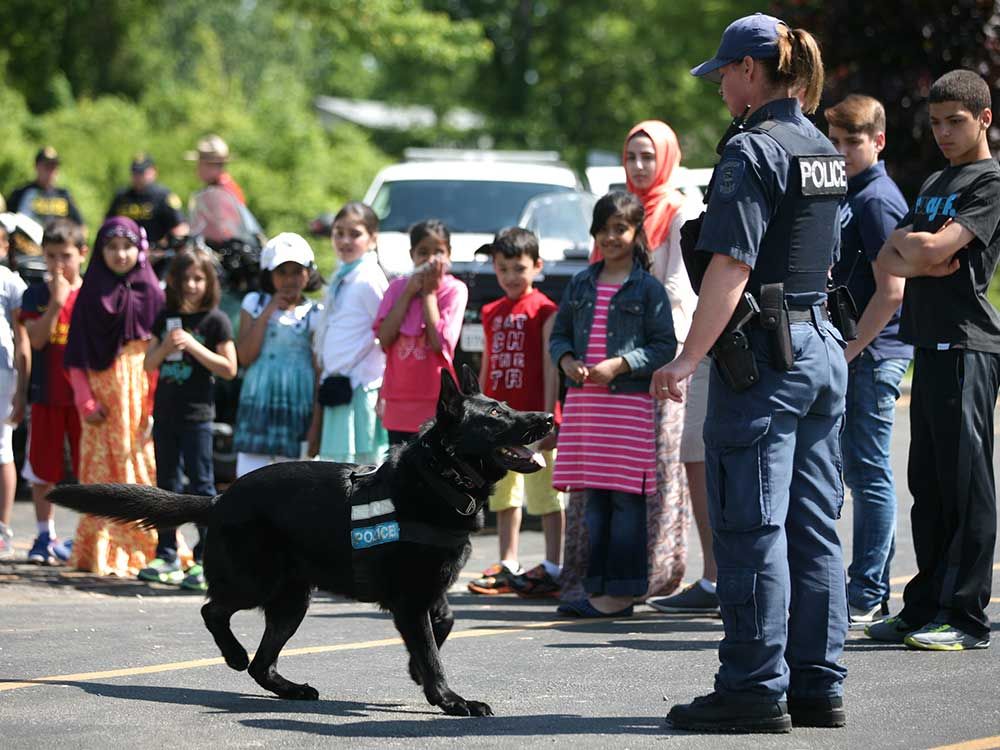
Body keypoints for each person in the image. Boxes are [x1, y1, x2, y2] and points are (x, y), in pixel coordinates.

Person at [651, 14, 849, 732]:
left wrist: (686, 358)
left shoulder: (753, 151)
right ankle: (817, 687)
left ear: (750, 72)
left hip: (763, 359)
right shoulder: (822, 146)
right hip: (819, 346)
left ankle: (753, 687)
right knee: (814, 529)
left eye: (724, 74)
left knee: (751, 527)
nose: (719, 88)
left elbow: (731, 267)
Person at [867, 70, 1000, 652]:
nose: (944, 132)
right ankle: (922, 607)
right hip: (928, 345)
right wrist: (920, 252)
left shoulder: (990, 181)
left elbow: (932, 248)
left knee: (968, 483)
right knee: (929, 484)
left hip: (970, 345)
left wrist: (921, 250)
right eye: (937, 121)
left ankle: (966, 618)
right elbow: (887, 256)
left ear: (984, 119)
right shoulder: (934, 181)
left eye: (956, 122)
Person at [551, 191, 676, 618]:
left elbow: (664, 346)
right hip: (588, 411)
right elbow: (560, 335)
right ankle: (597, 589)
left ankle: (621, 593)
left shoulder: (649, 288)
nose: (611, 236)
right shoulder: (581, 282)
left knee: (626, 503)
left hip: (628, 410)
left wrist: (620, 365)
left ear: (636, 231)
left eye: (619, 228)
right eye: (604, 229)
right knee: (597, 504)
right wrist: (566, 360)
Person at [823, 95, 911, 628]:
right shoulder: (849, 191)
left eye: (852, 141)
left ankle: (871, 591)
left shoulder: (877, 198)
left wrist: (848, 349)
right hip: (859, 351)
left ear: (878, 141)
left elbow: (893, 290)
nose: (842, 151)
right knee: (858, 470)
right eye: (834, 141)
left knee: (869, 473)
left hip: (875, 353)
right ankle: (865, 587)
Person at [620, 120, 715, 613]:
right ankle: (631, 570)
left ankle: (669, 573)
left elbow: (681, 290)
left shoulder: (679, 211)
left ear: (667, 157)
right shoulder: (625, 211)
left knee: (671, 469)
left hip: (667, 356)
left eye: (647, 156)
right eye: (631, 155)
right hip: (620, 364)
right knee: (627, 473)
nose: (638, 166)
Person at [63, 217, 179, 576]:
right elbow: (75, 355)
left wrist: (155, 403)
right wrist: (85, 401)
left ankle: (145, 550)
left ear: (140, 249)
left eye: (127, 246)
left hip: (140, 393)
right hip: (102, 397)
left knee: (141, 466)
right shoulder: (90, 293)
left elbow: (162, 353)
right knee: (99, 472)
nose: (120, 254)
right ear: (100, 251)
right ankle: (98, 552)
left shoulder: (154, 293)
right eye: (111, 247)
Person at [466, 228, 564, 598]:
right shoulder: (492, 311)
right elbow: (488, 366)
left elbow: (549, 365)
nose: (510, 276)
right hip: (501, 424)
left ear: (536, 266)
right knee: (505, 495)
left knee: (546, 494)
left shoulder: (544, 309)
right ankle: (509, 562)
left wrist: (548, 418)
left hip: (534, 421)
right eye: (503, 268)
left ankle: (554, 565)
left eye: (519, 268)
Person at [141, 245, 237, 588]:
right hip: (165, 413)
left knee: (202, 484)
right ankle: (165, 553)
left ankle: (204, 558)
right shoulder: (164, 318)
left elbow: (229, 367)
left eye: (199, 278)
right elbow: (148, 364)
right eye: (185, 279)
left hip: (197, 416)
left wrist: (194, 346)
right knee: (166, 484)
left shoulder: (216, 320)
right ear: (174, 282)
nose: (192, 285)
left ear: (208, 281)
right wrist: (165, 347)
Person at [17, 219, 86, 564]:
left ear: (82, 255)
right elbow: (38, 339)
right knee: (43, 468)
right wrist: (57, 304)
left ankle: (87, 538)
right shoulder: (36, 294)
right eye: (51, 256)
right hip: (47, 394)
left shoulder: (93, 295)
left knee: (88, 469)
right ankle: (44, 535)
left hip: (85, 399)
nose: (59, 264)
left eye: (66, 256)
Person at [234, 232, 322, 477]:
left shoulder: (316, 313)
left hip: (296, 405)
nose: (289, 279)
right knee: (249, 477)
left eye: (297, 271)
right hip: (258, 403)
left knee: (294, 479)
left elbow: (319, 372)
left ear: (309, 273)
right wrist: (268, 311)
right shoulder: (254, 304)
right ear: (268, 274)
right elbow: (245, 356)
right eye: (281, 272)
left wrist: (316, 424)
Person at [374, 220, 468, 445]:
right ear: (412, 254)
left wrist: (428, 294)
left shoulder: (454, 290)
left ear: (449, 254)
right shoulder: (397, 288)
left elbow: (440, 344)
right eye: (423, 252)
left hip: (436, 400)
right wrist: (408, 293)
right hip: (398, 400)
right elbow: (384, 338)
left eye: (439, 252)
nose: (431, 259)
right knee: (399, 468)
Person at [313, 202, 389, 465]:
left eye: (354, 234)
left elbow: (388, 331)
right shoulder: (342, 275)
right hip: (339, 383)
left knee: (362, 467)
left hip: (361, 386)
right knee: (336, 470)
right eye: (338, 233)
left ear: (372, 239)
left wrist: (386, 388)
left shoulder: (369, 278)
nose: (345, 240)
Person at [0, 236, 28, 561]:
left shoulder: (10, 282)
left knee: (3, 447)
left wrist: (22, 389)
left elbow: (22, 341)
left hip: (3, 373)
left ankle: (3, 527)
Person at [106, 153, 189, 247]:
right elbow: (107, 225)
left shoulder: (163, 196)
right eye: (135, 173)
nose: (137, 177)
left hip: (156, 254)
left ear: (154, 171)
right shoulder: (121, 196)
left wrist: (162, 249)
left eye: (141, 173)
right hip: (127, 251)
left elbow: (180, 228)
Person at [7, 147, 84, 228]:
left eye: (54, 167)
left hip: (54, 239)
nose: (51, 171)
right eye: (47, 166)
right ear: (36, 166)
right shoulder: (22, 193)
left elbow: (81, 226)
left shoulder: (64, 195)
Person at [186, 134, 245, 206]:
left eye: (200, 164)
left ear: (212, 166)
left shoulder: (222, 193)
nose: (197, 168)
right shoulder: (219, 188)